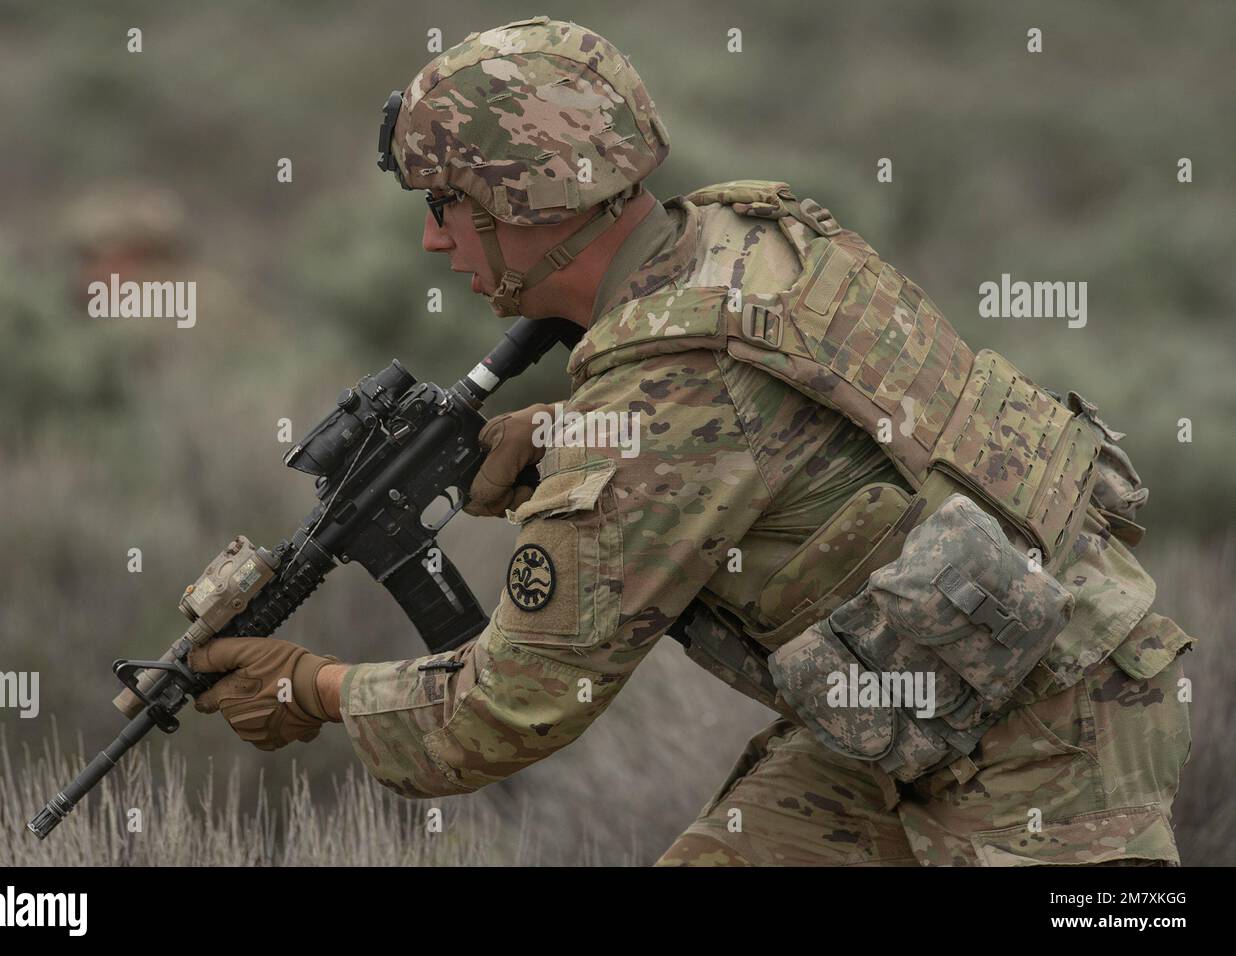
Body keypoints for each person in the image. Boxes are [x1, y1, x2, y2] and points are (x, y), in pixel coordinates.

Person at [189, 17, 1194, 866]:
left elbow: (505, 707)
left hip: (1054, 738)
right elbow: (799, 434)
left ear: (526, 199)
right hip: (940, 693)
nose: (431, 240)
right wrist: (565, 434)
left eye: (445, 203)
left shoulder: (663, 394)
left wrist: (309, 685)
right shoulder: (740, 228)